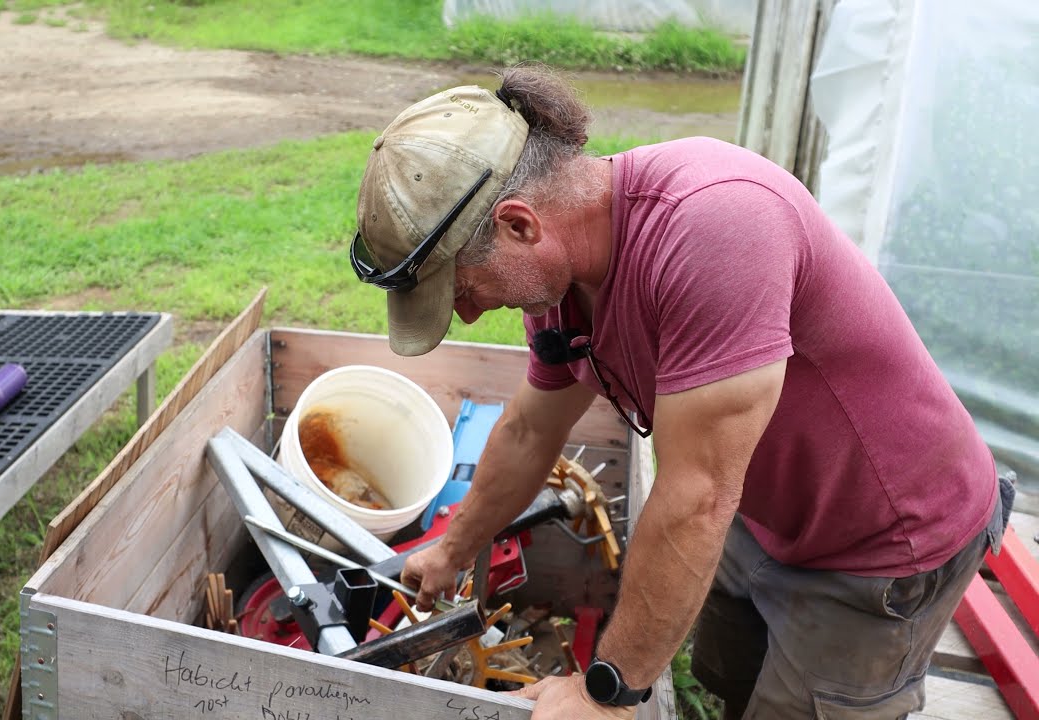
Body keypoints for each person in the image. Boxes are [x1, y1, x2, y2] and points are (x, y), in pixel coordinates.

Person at [348, 65, 1009, 719]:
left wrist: (604, 693)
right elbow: (529, 430)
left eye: (461, 291)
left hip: (882, 540)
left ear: (519, 225)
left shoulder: (715, 224)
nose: (465, 316)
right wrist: (451, 550)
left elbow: (696, 498)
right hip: (763, 511)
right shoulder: (559, 277)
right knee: (730, 683)